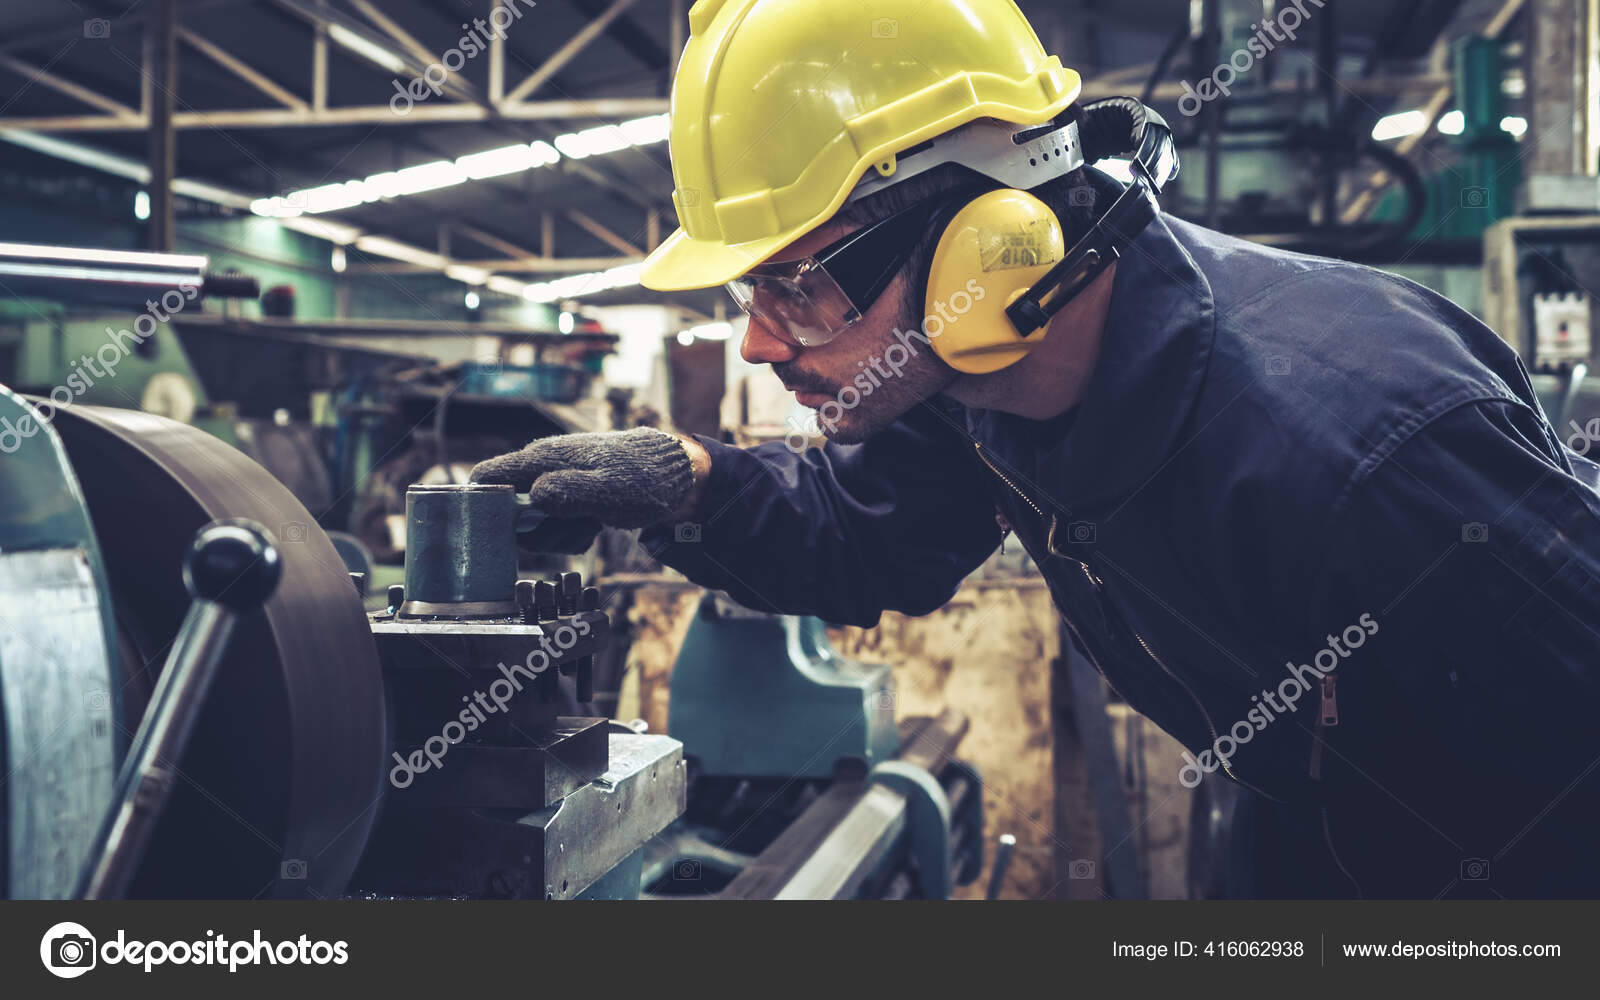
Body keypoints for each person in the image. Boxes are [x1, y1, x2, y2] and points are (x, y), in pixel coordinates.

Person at [473, 0, 1600, 898]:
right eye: (748, 291)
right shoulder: (983, 379)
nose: (761, 342)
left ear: (983, 237)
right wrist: (689, 482)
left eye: (796, 284)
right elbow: (870, 534)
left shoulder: (1372, 454)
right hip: (1296, 805)